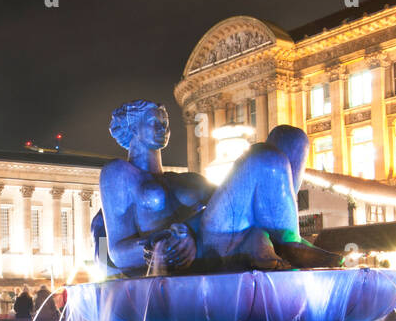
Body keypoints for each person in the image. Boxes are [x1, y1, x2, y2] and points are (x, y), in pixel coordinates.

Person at [98, 100, 337, 275]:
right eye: (154, 122)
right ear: (131, 129)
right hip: (201, 251)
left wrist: (188, 232)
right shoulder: (119, 173)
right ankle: (286, 246)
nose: (163, 128)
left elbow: (232, 201)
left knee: (292, 139)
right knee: (265, 159)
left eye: (165, 122)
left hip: (211, 232)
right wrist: (163, 247)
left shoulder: (183, 179)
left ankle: (278, 241)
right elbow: (117, 252)